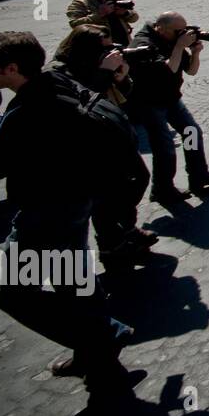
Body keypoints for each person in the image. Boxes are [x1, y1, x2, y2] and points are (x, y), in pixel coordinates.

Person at [0, 31, 135, 387]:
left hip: (45, 212)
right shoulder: (55, 80)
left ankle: (103, 337)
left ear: (10, 68)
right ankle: (99, 363)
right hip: (77, 200)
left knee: (15, 295)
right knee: (74, 281)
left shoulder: (27, 112)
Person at [53, 25, 156, 267]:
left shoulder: (99, 65)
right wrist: (104, 72)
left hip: (116, 134)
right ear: (86, 49)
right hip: (91, 145)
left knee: (138, 178)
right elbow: (82, 104)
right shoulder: (61, 72)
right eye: (105, 48)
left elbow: (124, 95)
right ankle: (112, 245)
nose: (111, 52)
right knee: (105, 195)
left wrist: (121, 79)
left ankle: (126, 227)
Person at [126, 13, 209, 206]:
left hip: (171, 98)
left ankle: (199, 176)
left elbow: (190, 71)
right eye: (178, 31)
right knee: (164, 147)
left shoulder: (172, 39)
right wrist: (180, 46)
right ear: (160, 28)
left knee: (191, 132)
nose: (183, 34)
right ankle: (162, 189)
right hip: (149, 103)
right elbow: (168, 70)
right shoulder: (143, 44)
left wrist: (196, 52)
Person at [67, 0, 140, 47]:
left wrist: (125, 13)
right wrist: (99, 14)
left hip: (125, 43)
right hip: (99, 47)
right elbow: (75, 25)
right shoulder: (79, 3)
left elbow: (135, 18)